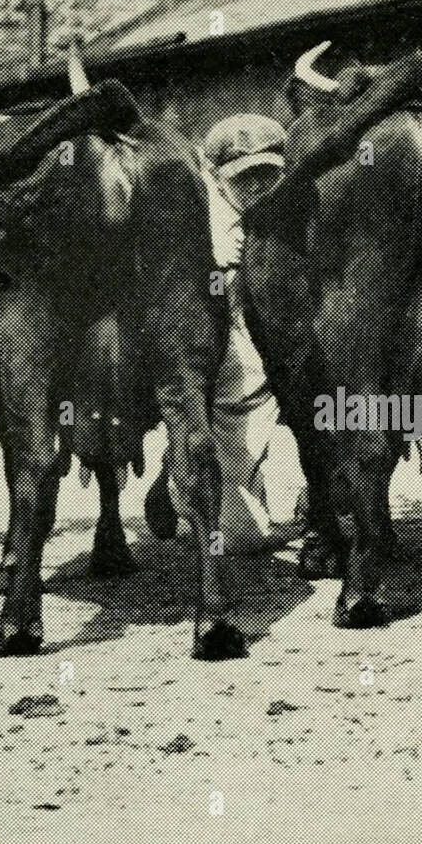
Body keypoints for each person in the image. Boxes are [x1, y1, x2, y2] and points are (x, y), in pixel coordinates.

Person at [159, 112, 304, 552]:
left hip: (280, 378)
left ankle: (281, 482)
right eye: (245, 179)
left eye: (268, 175)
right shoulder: (200, 226)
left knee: (321, 499)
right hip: (225, 384)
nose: (259, 188)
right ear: (217, 180)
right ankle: (174, 479)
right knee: (243, 540)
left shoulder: (298, 211)